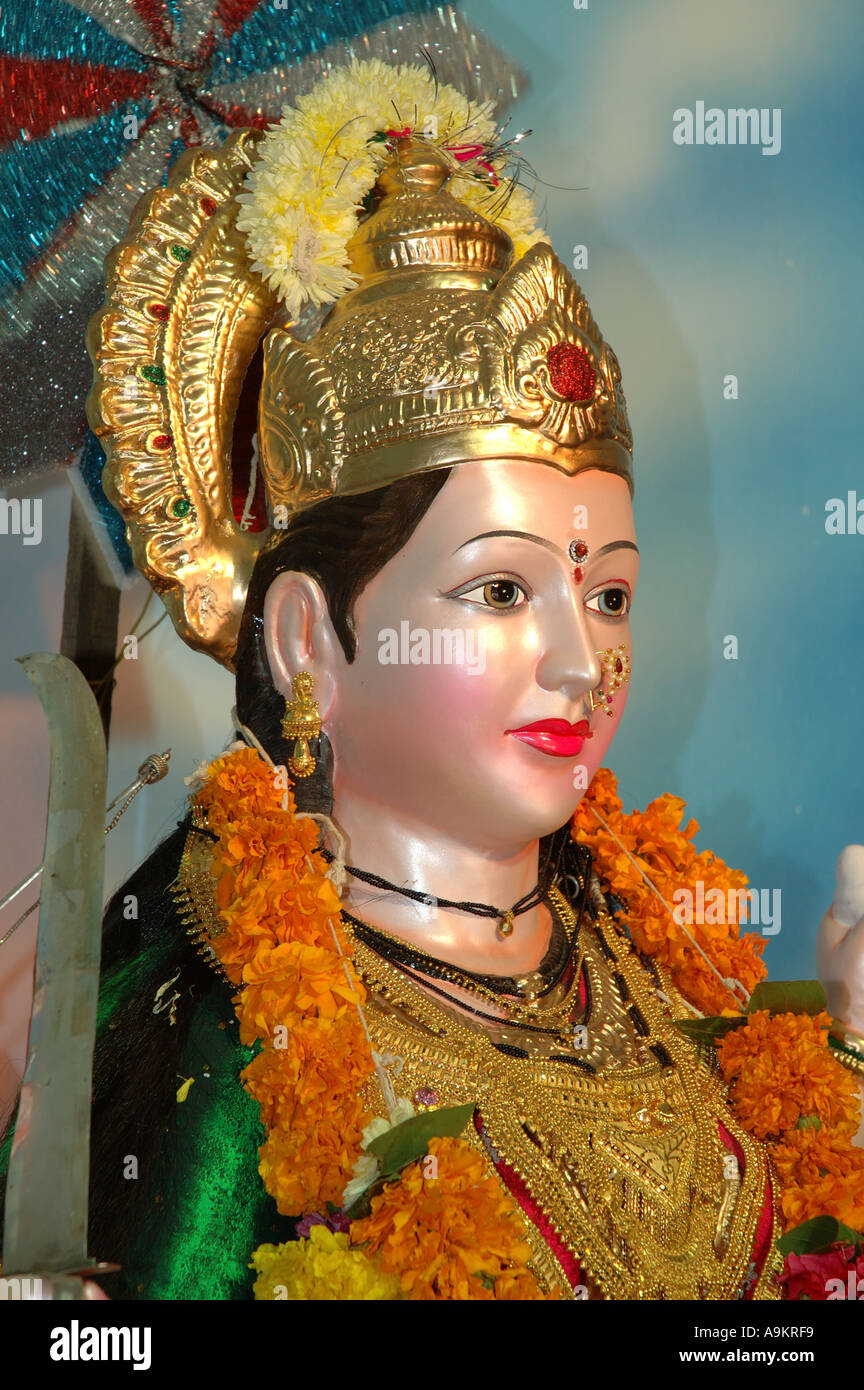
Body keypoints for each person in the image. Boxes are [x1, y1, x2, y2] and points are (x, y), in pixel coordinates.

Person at [3, 59, 863, 1301]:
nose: (583, 660)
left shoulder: (651, 968)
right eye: (503, 590)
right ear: (309, 639)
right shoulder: (231, 1050)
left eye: (608, 591)